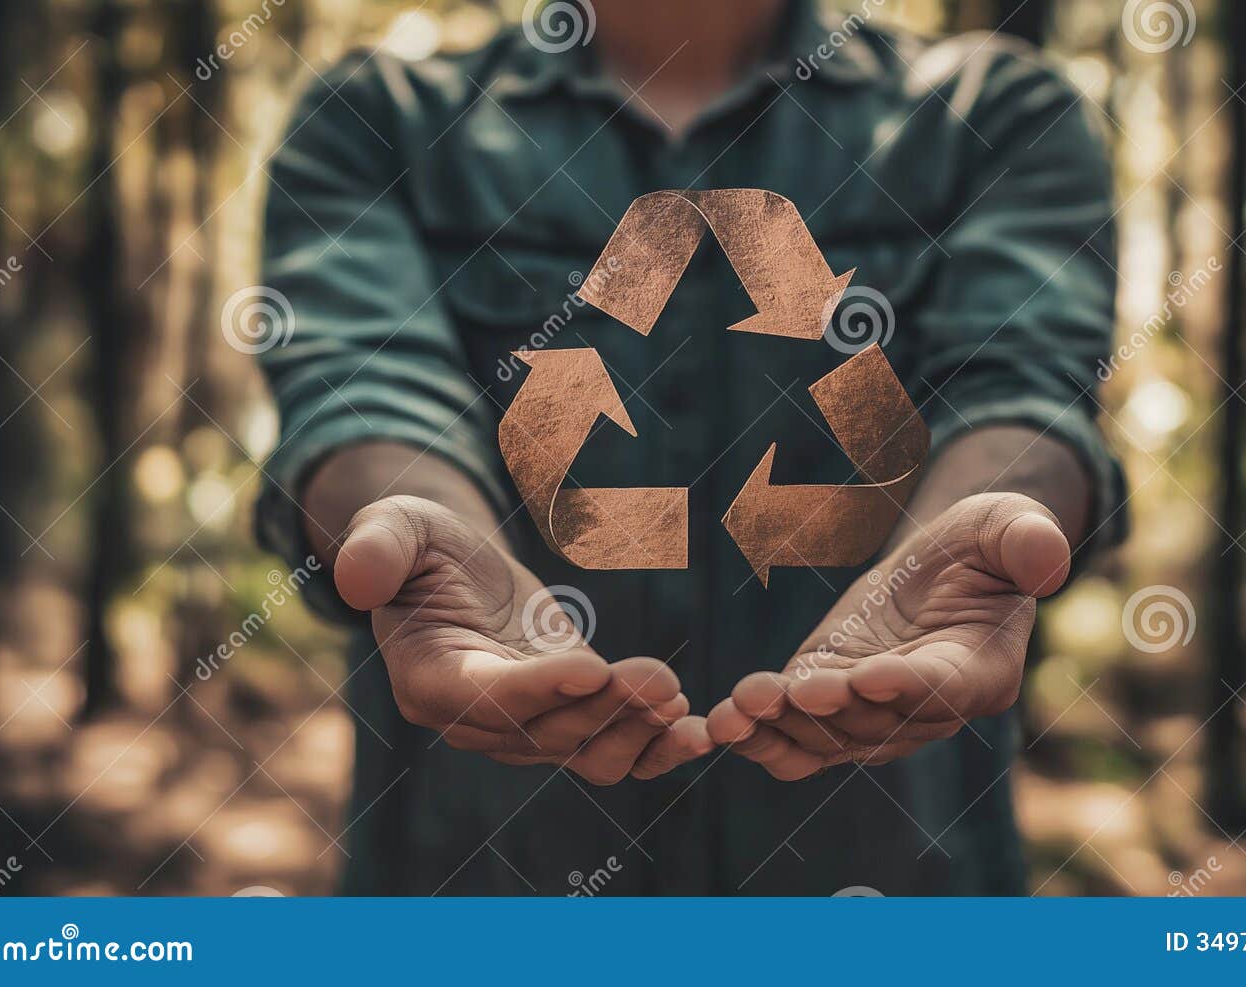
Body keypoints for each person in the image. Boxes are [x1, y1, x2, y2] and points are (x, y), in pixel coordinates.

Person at [254, 0, 1126, 894]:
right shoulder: (379, 123)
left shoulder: (990, 114)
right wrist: (413, 521)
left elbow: (1020, 388)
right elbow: (370, 389)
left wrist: (991, 517)